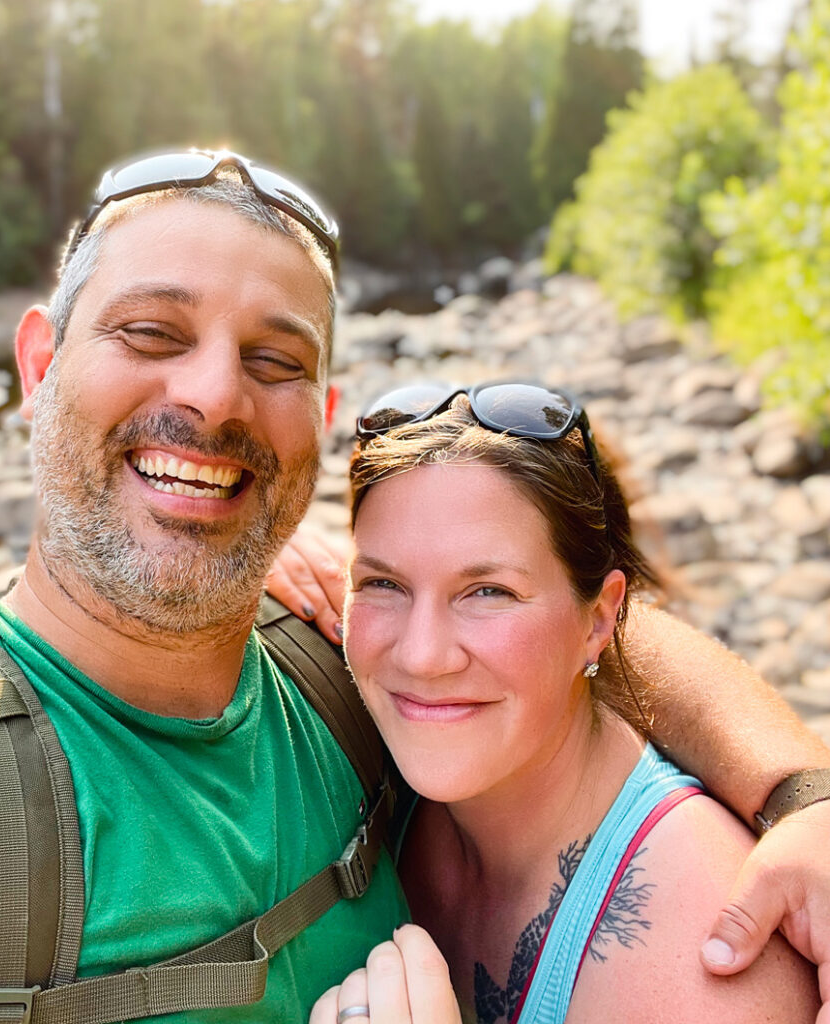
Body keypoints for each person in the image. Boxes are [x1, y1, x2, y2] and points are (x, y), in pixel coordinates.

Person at [0, 147, 828, 1023]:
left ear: (316, 423)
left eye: (272, 360)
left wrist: (801, 796)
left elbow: (572, 632)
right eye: (153, 331)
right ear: (37, 365)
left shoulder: (347, 670)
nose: (210, 395)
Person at [308, 383, 820, 1023]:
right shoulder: (378, 759)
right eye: (383, 583)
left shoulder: (699, 959)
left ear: (599, 618)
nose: (421, 656)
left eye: (488, 591)